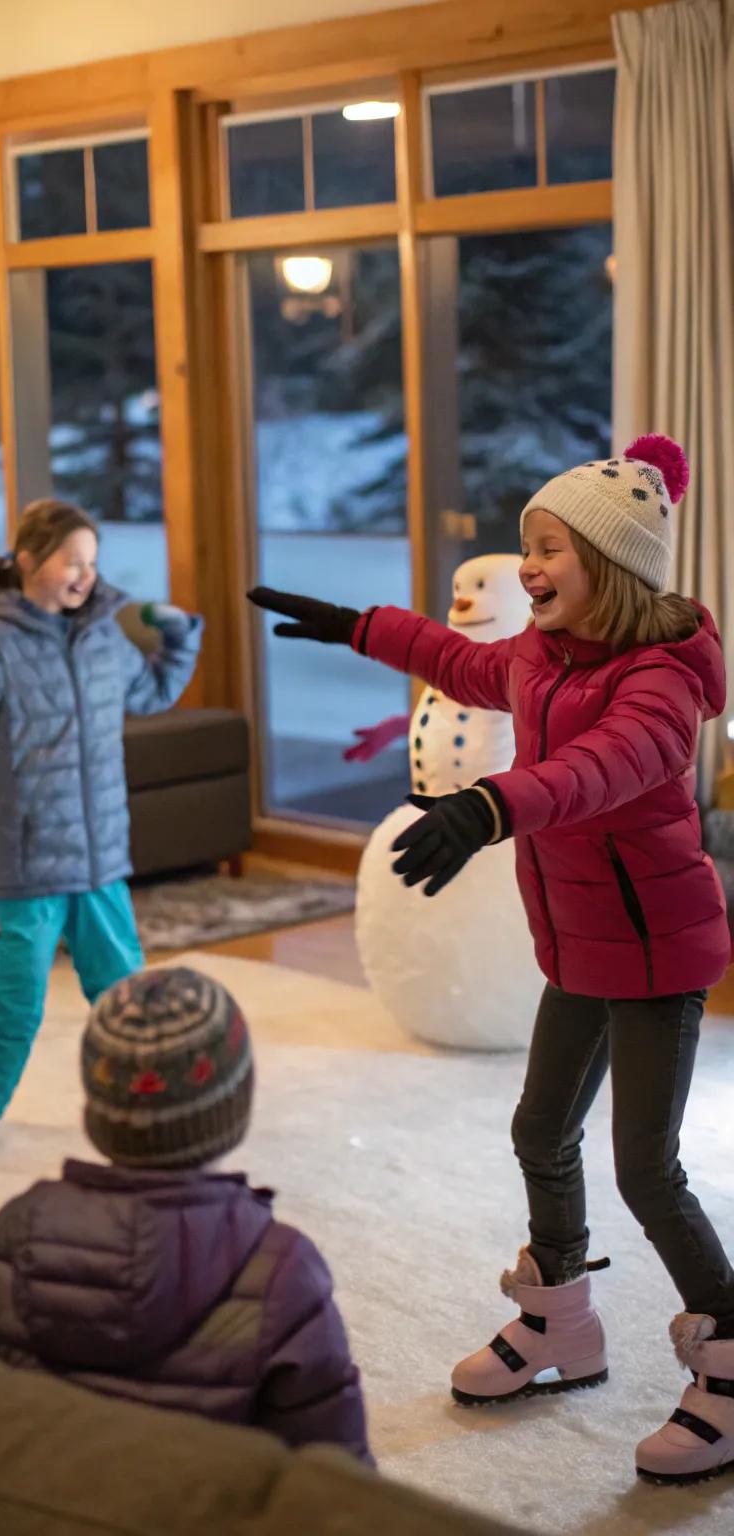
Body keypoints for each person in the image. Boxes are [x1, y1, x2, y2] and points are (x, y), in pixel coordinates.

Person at [249, 434, 734, 1486]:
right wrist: (358, 626)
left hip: (656, 952)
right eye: (529, 544)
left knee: (646, 1170)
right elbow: (461, 663)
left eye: (550, 548)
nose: (528, 566)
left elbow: (597, 770)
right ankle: (561, 1322)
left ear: (610, 566)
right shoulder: (539, 655)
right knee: (539, 1132)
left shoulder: (662, 685)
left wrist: (487, 805)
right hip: (578, 946)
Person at [0, 498, 203, 1152]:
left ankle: (152, 1097)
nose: (85, 575)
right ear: (28, 561)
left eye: (92, 563)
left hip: (100, 858)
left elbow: (151, 693)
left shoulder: (104, 637)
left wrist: (178, 637)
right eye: (71, 561)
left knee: (125, 991)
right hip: (29, 862)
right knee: (15, 993)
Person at [0, 964, 373, 1462]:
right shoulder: (285, 1271)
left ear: (97, 1111)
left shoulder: (15, 1230)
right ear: (235, 1105)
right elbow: (336, 1477)